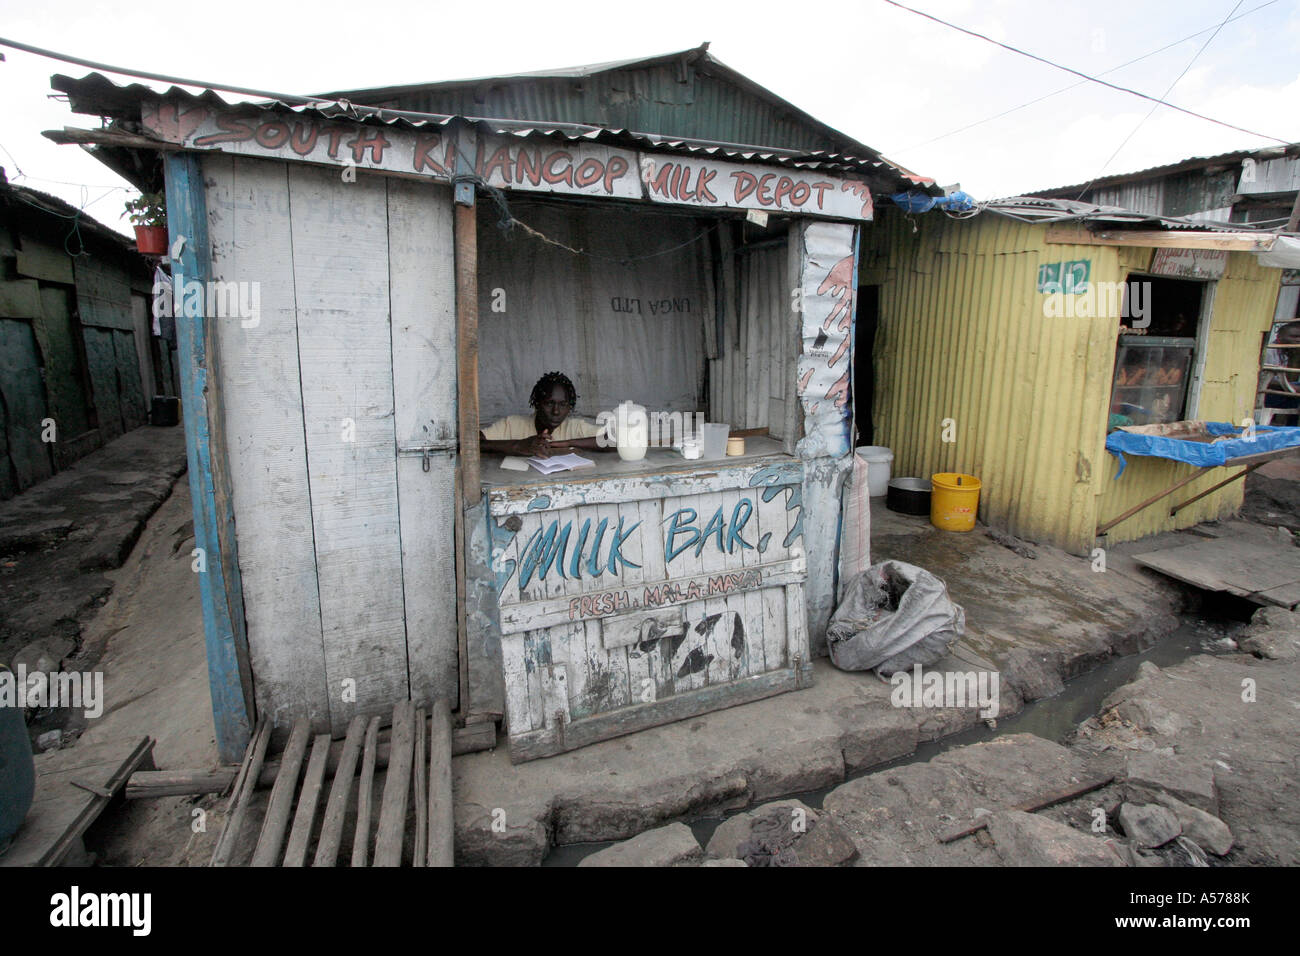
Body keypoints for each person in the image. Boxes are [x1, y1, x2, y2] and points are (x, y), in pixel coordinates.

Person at [479, 371, 608, 457]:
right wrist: (519, 446)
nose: (556, 411)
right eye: (549, 403)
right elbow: (469, 443)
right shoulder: (512, 424)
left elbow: (617, 441)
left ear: (570, 408)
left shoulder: (576, 428)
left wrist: (568, 443)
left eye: (563, 405)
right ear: (537, 403)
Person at [1263, 321, 1300, 426]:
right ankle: (1292, 429)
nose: (1298, 339)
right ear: (1279, 336)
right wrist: (1291, 386)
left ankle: (1292, 429)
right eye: (1294, 336)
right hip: (1265, 396)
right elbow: (1264, 379)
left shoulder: (1285, 352)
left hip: (1275, 392)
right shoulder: (1269, 351)